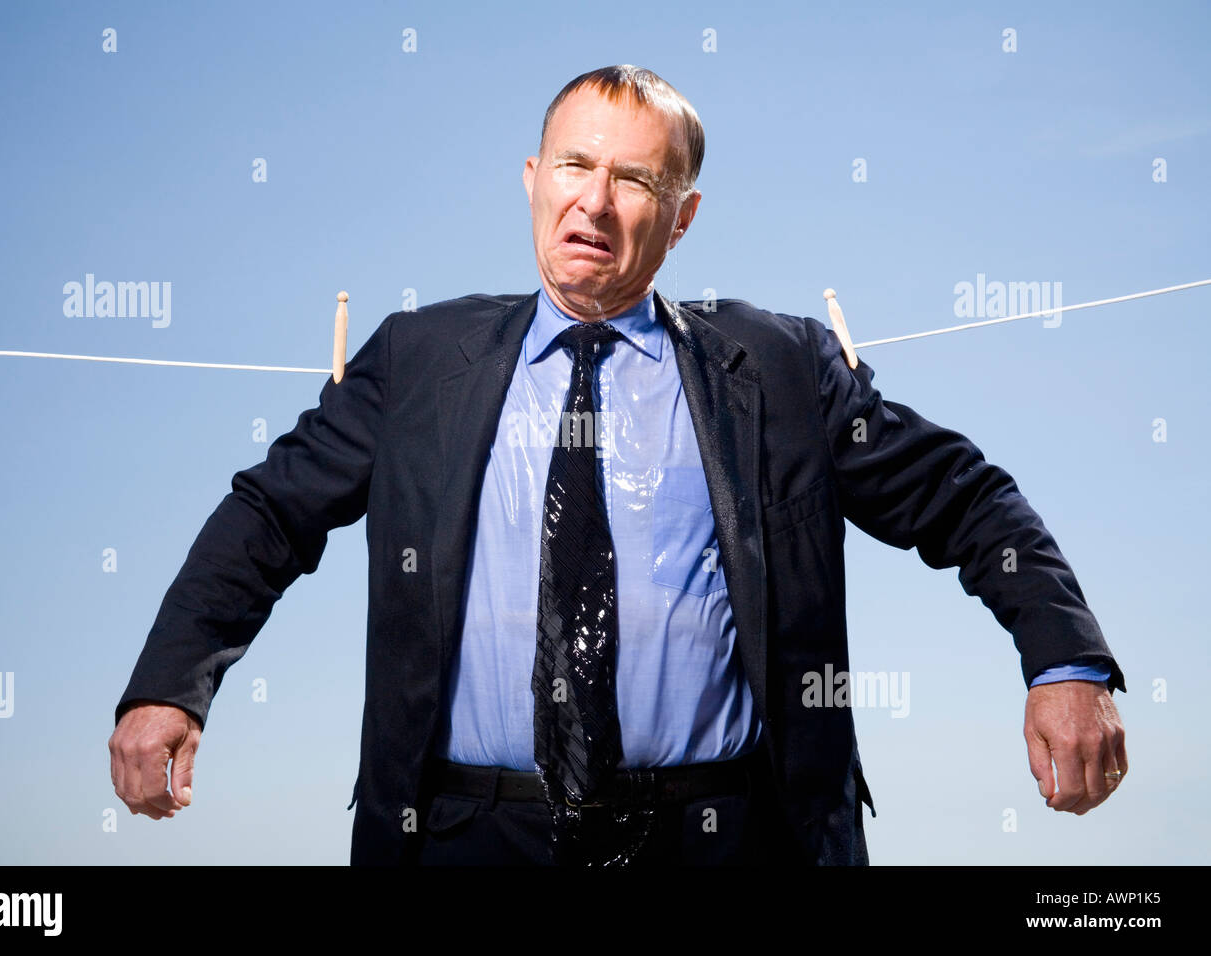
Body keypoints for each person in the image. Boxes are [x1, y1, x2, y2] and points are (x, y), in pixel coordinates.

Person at [109, 64, 1127, 866]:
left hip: (727, 836)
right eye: (571, 165)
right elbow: (268, 515)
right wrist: (171, 684)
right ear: (529, 179)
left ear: (681, 214)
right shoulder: (418, 361)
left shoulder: (775, 367)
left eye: (633, 177)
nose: (592, 201)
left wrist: (1065, 660)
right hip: (466, 837)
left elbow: (963, 499)